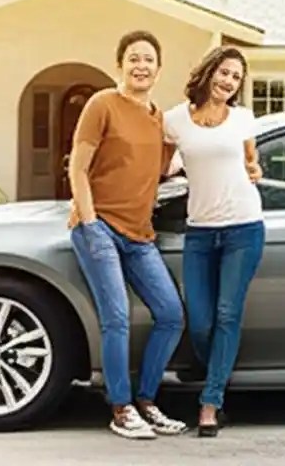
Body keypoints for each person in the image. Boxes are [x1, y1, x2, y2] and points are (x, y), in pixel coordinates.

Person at [66, 30, 187, 440]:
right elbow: (78, 168)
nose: (141, 66)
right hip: (99, 229)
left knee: (171, 315)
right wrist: (89, 221)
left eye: (148, 59)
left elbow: (167, 170)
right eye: (133, 58)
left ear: (158, 68)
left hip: (140, 236)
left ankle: (147, 402)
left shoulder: (158, 118)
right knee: (116, 318)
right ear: (120, 64)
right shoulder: (102, 104)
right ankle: (120, 408)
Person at [163, 46, 265, 437]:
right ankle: (217, 370)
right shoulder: (175, 120)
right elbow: (162, 164)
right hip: (200, 231)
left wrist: (254, 169)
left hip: (244, 227)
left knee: (226, 315)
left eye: (236, 77)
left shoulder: (242, 119)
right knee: (201, 321)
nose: (228, 81)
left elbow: (250, 161)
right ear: (208, 72)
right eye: (224, 72)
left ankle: (211, 403)